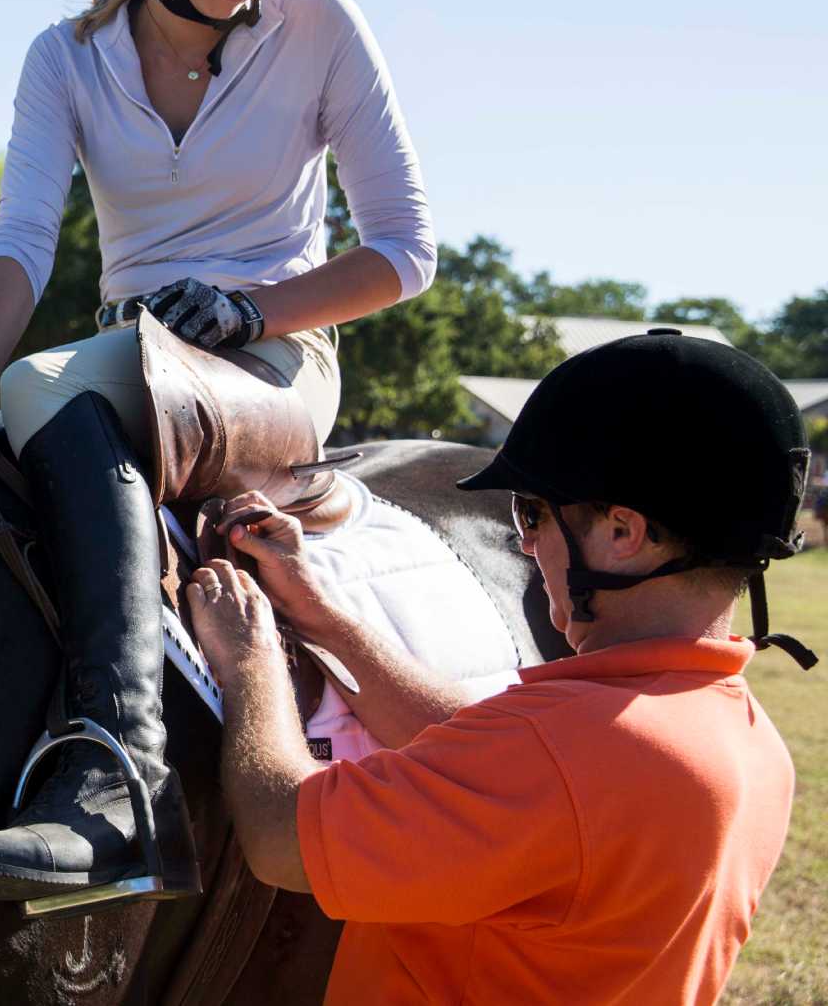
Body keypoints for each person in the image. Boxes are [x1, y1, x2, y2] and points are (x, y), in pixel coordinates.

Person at [0, 0, 437, 911]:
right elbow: (19, 243)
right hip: (123, 366)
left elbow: (407, 250)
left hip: (272, 369)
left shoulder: (323, 35)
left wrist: (258, 308)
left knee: (56, 390)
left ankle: (122, 784)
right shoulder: (62, 58)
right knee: (17, 410)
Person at [188, 330, 812, 1005]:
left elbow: (281, 836)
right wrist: (321, 613)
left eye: (534, 511)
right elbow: (476, 753)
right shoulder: (750, 743)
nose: (523, 540)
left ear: (623, 533)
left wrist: (252, 661)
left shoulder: (568, 754)